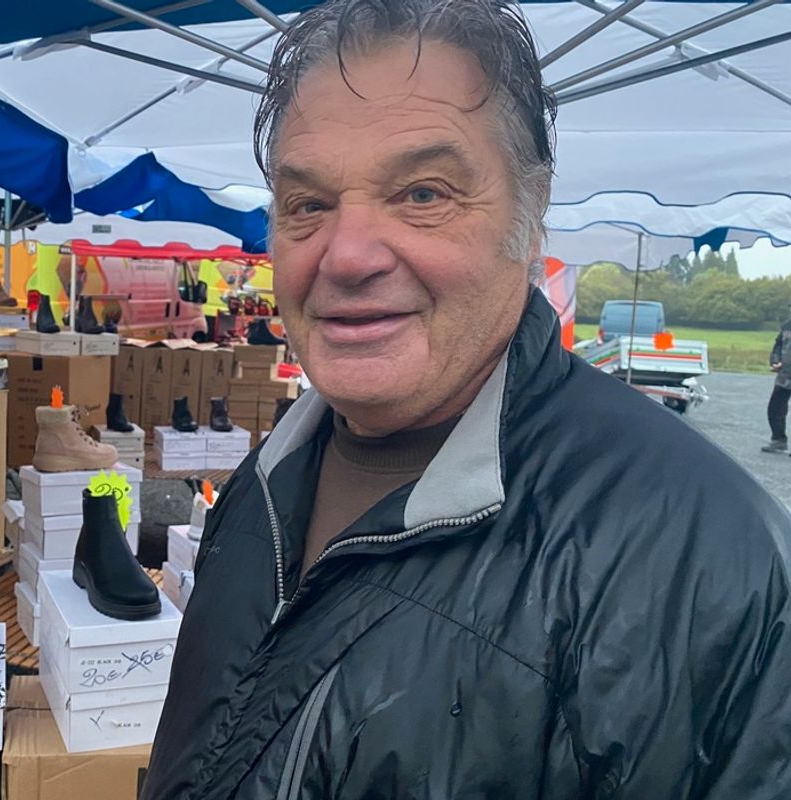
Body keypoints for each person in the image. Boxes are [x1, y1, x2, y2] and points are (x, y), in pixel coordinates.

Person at [140, 1, 791, 797]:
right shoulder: (260, 489)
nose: (345, 256)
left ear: (532, 210)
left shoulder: (705, 560)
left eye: (422, 194)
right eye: (308, 204)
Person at [762, 305, 791, 453]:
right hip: (785, 376)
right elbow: (778, 346)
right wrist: (775, 361)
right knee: (775, 408)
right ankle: (778, 440)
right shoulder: (787, 326)